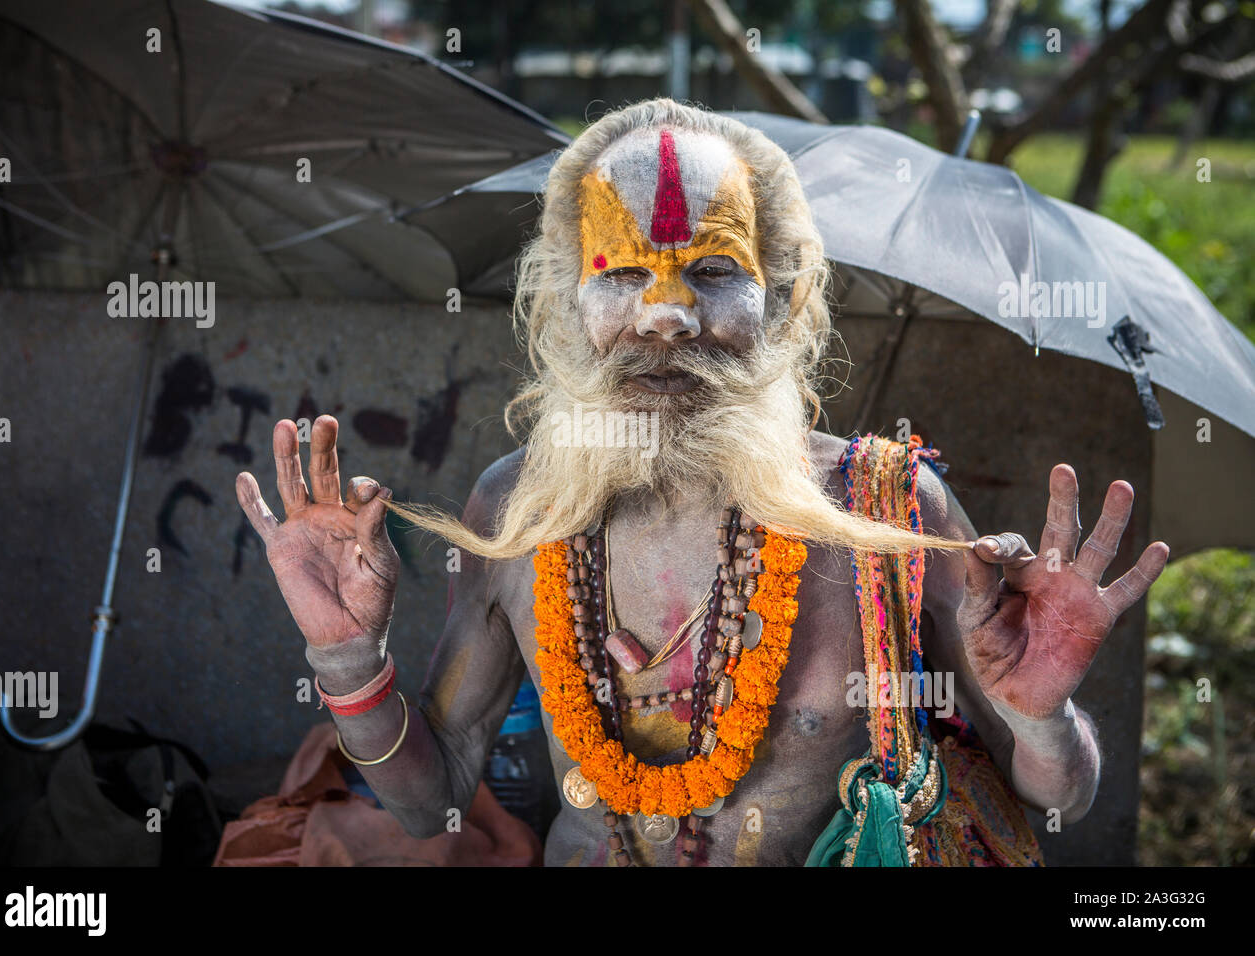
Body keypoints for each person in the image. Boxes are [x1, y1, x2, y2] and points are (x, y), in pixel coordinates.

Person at [234, 99, 1169, 866]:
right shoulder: (518, 509)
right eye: (626, 271)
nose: (668, 314)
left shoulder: (885, 510)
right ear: (568, 302)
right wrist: (350, 663)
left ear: (787, 292)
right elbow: (430, 809)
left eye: (714, 270)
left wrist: (1041, 716)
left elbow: (1061, 804)